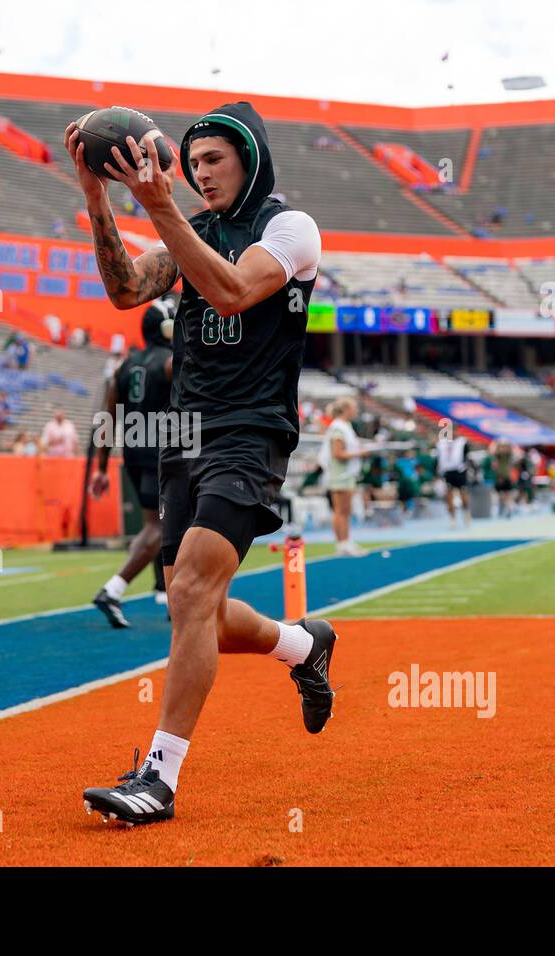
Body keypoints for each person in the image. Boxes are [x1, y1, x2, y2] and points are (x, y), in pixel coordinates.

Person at [67, 100, 333, 827]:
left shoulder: (288, 228)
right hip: (184, 433)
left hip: (251, 432)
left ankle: (159, 777)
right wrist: (98, 199)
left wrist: (159, 209)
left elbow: (233, 289)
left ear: (250, 159)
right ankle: (303, 643)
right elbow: (127, 290)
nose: (201, 173)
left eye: (215, 159)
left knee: (186, 593)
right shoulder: (193, 230)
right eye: (195, 162)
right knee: (202, 617)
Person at [89, 297, 177, 627]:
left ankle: (171, 595)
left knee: (165, 526)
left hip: (135, 449)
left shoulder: (125, 366)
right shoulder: (170, 362)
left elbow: (107, 418)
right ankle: (113, 589)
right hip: (166, 450)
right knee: (162, 527)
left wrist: (100, 469)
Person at [321, 396, 366, 554]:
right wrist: (362, 453)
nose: (356, 411)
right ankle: (342, 543)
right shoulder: (339, 427)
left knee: (345, 510)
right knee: (341, 510)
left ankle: (345, 541)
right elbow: (337, 453)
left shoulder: (344, 426)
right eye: (353, 407)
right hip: (340, 474)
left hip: (345, 473)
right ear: (346, 409)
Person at [436, 432, 471, 527]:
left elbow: (467, 456)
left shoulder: (462, 442)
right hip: (448, 472)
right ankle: (452, 518)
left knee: (463, 493)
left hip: (460, 472)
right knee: (449, 495)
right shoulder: (442, 444)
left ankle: (466, 512)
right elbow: (438, 458)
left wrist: (464, 469)